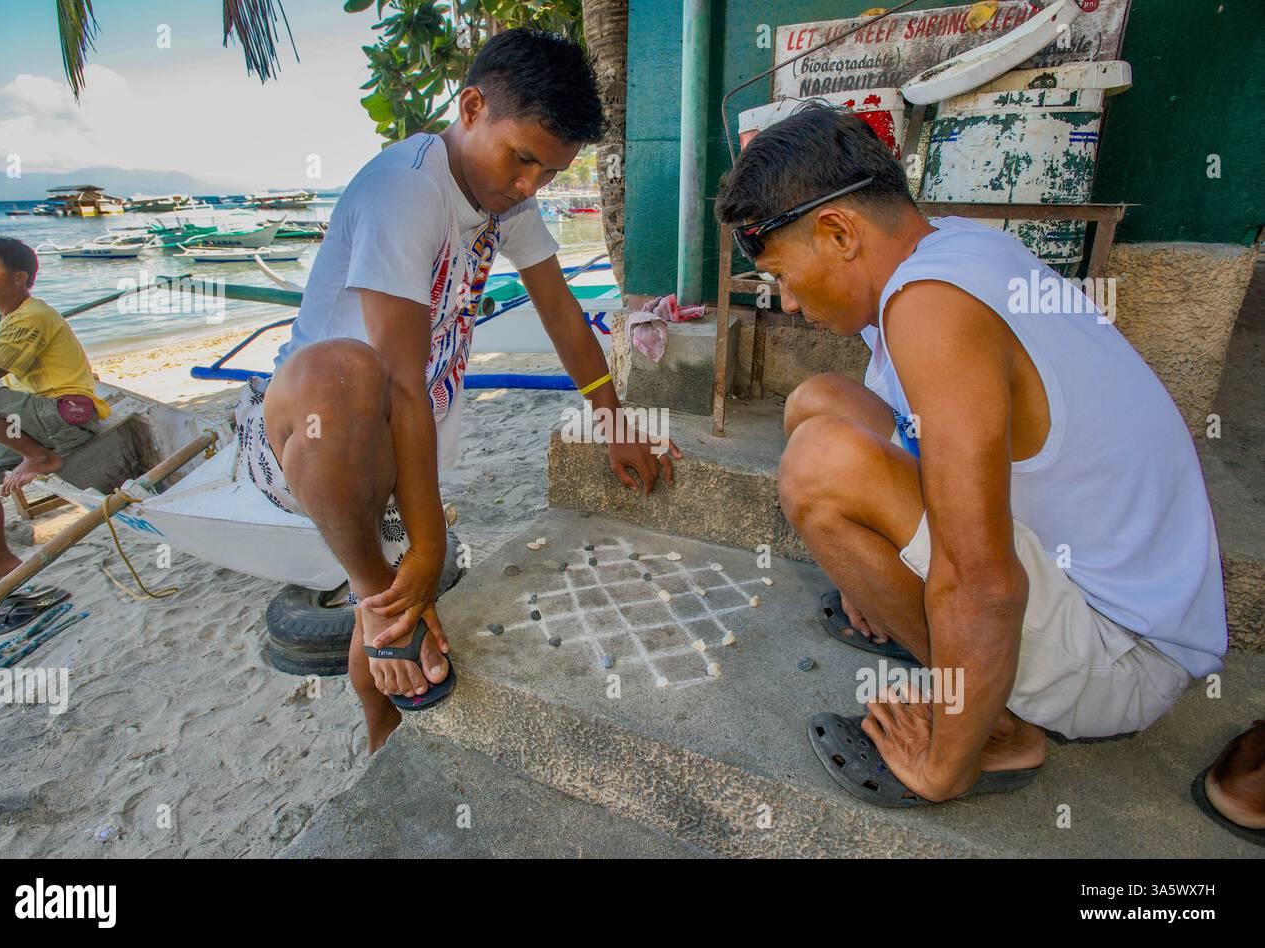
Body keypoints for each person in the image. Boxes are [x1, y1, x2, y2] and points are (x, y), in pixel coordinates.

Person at [714, 104, 1227, 806]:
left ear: (837, 232)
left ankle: (1001, 735)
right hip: (1079, 569)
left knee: (822, 466)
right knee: (817, 403)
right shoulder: (946, 248)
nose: (791, 304)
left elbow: (982, 581)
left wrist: (944, 767)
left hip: (1122, 654)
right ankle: (921, 627)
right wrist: (879, 571)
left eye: (782, 277)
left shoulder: (932, 309)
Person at [239, 28, 679, 753]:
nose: (531, 184)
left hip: (397, 447)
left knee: (392, 600)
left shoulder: (507, 197)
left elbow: (561, 309)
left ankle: (382, 725)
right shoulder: (406, 189)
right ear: (471, 107)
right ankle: (378, 609)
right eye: (524, 160)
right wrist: (428, 544)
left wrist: (613, 417)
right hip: (308, 443)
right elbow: (401, 381)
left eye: (549, 171)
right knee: (345, 373)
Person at [0, 236, 109, 602]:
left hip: (69, 415)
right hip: (37, 420)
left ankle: (40, 456)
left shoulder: (32, 316)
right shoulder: (11, 316)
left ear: (18, 278)